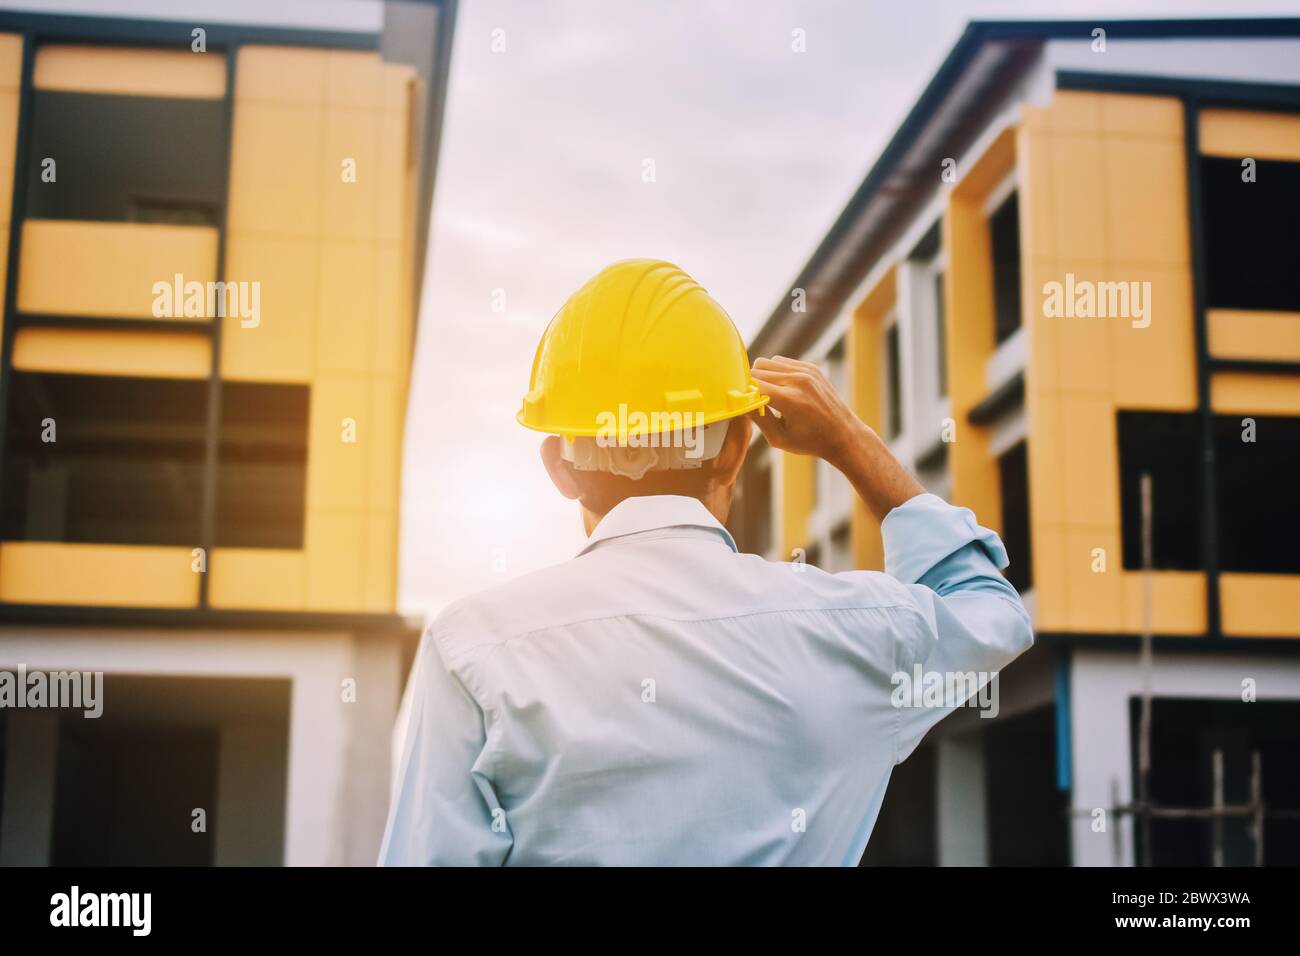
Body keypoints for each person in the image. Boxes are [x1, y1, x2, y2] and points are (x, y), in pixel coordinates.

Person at [379, 260, 1032, 866]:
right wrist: (851, 443)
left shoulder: (474, 650)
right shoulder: (861, 631)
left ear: (559, 467)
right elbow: (992, 610)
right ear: (736, 449)